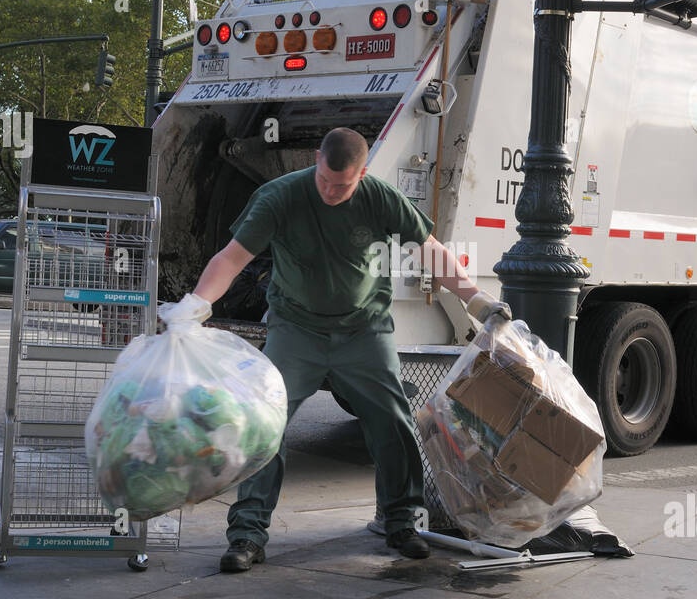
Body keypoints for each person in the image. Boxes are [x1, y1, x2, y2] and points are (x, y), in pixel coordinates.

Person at [165, 127, 509, 571]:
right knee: (263, 425)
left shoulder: (380, 198)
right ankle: (247, 534)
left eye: (342, 185)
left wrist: (476, 300)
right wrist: (197, 304)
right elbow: (233, 257)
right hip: (296, 329)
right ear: (316, 160)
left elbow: (431, 251)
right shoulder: (280, 197)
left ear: (362, 174)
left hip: (364, 330)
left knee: (392, 419)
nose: (330, 190)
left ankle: (401, 522)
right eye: (324, 180)